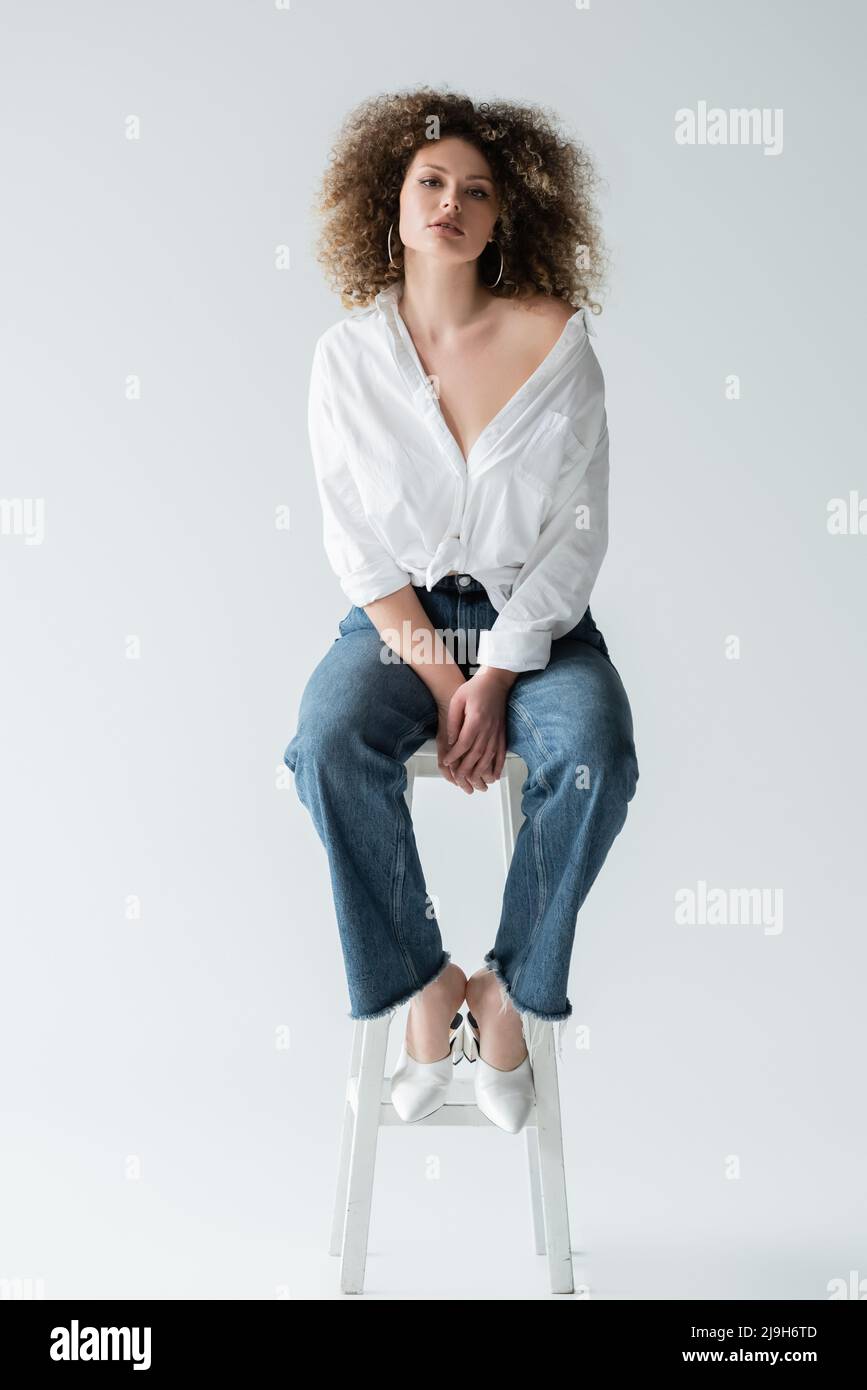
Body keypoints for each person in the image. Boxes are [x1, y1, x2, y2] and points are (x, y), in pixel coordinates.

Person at [283, 88, 639, 1132]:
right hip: (399, 624)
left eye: (476, 192)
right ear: (388, 203)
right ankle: (427, 986)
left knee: (597, 753)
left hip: (540, 624)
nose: (450, 202)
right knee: (325, 740)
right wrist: (446, 678)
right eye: (430, 182)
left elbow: (578, 536)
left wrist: (498, 674)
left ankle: (512, 993)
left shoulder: (558, 342)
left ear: (503, 218)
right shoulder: (345, 362)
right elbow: (357, 546)